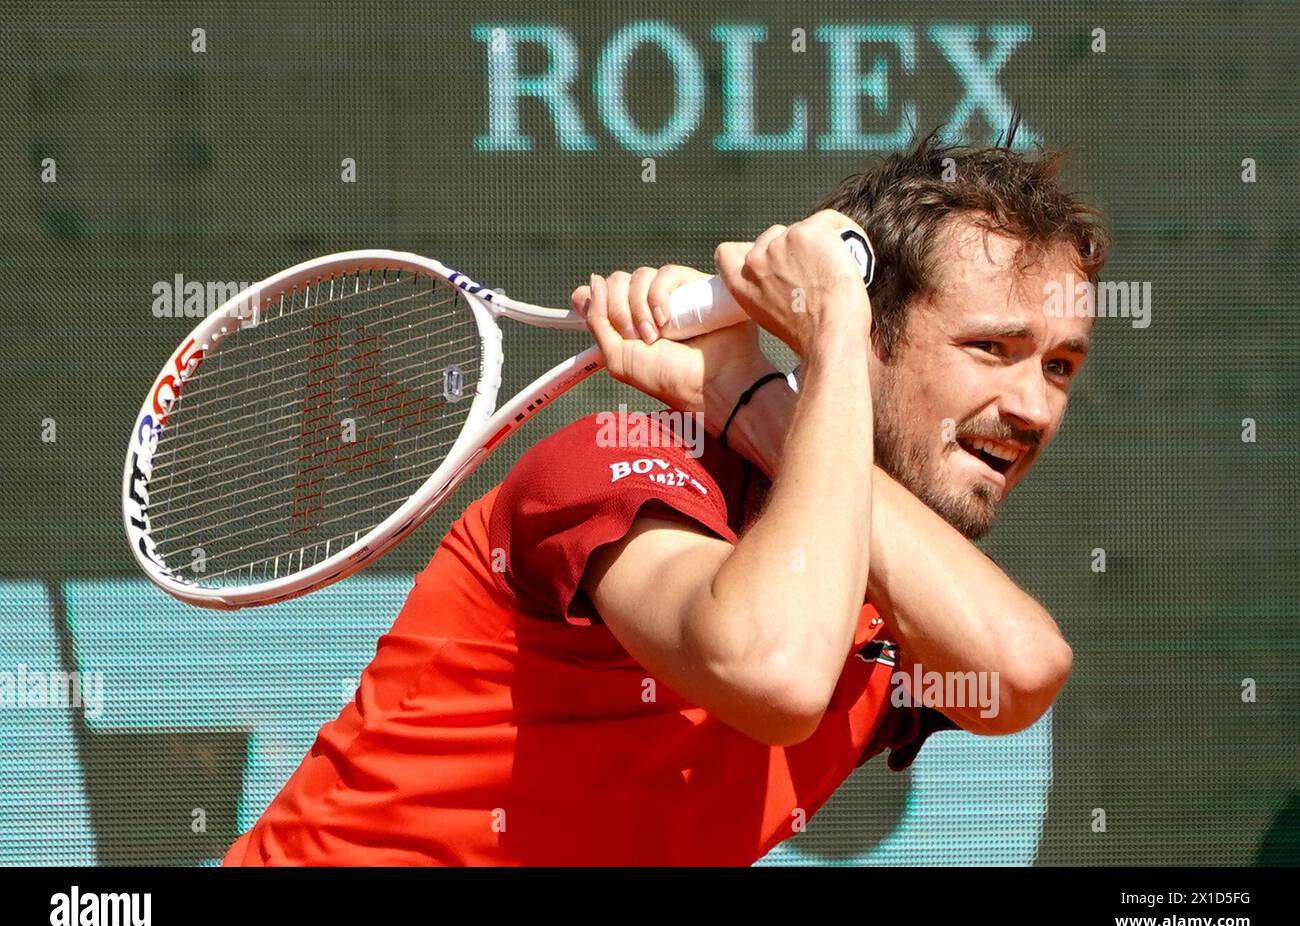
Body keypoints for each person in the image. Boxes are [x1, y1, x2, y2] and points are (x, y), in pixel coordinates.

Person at [223, 132, 1109, 866]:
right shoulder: (614, 465)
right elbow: (772, 672)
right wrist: (826, 333)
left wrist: (750, 399)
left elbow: (1023, 673)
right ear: (870, 335)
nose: (1034, 406)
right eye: (993, 347)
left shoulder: (892, 586)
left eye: (1060, 365)